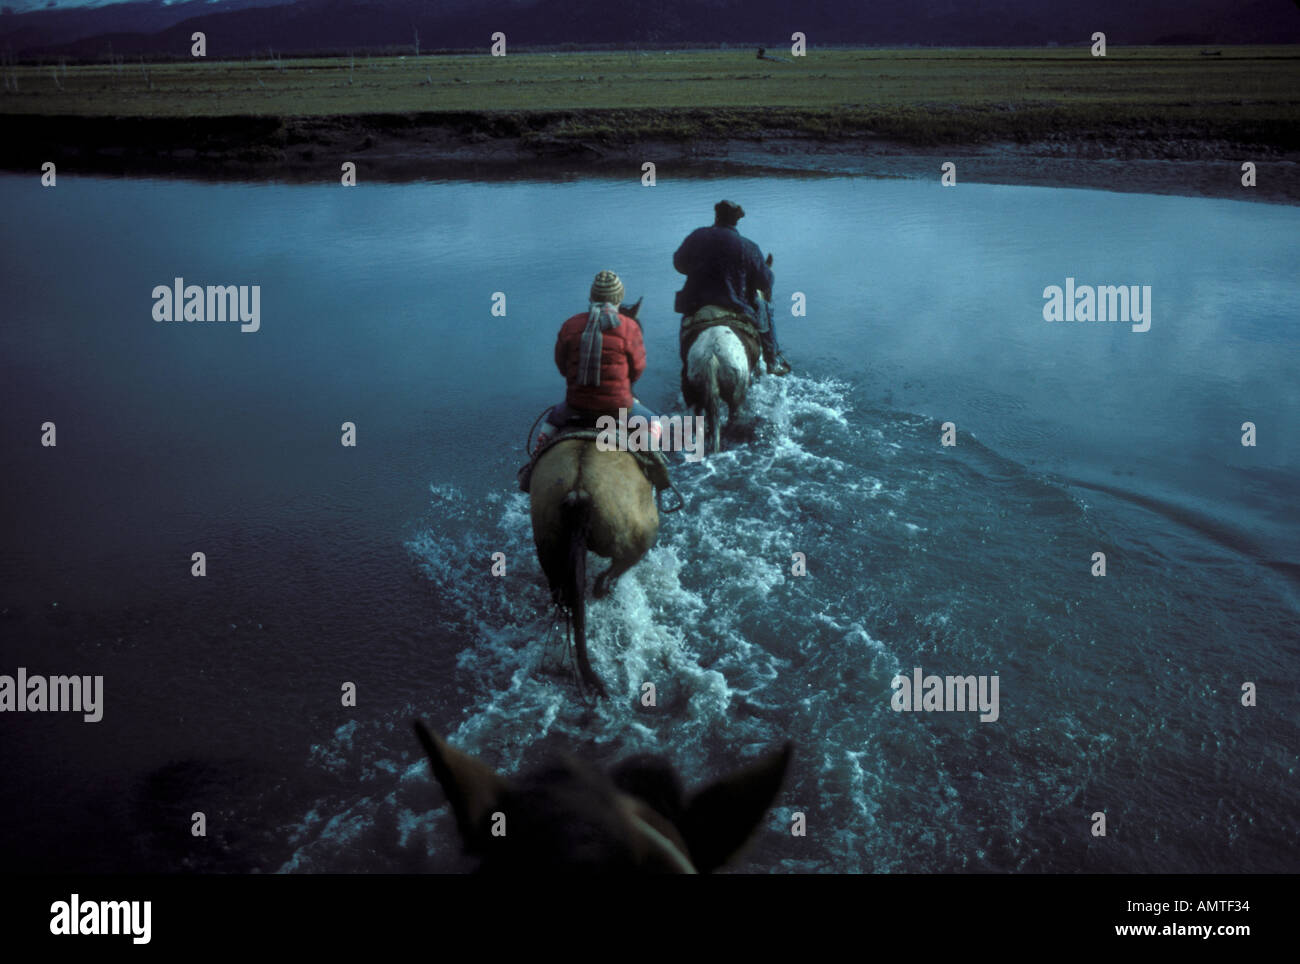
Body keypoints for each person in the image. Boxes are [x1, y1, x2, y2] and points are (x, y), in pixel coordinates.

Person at [531, 269, 662, 457]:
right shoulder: (629, 326)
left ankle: (534, 461)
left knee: (551, 421)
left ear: (592, 297)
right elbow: (637, 370)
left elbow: (562, 366)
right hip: (618, 406)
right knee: (653, 422)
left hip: (576, 405)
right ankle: (654, 466)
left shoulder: (571, 324)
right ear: (619, 297)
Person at [673, 200, 790, 376]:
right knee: (766, 307)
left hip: (697, 303)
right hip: (736, 305)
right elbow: (765, 283)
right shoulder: (749, 247)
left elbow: (679, 264)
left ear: (716, 216)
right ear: (736, 221)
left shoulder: (697, 236)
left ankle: (686, 363)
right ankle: (772, 361)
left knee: (687, 326)